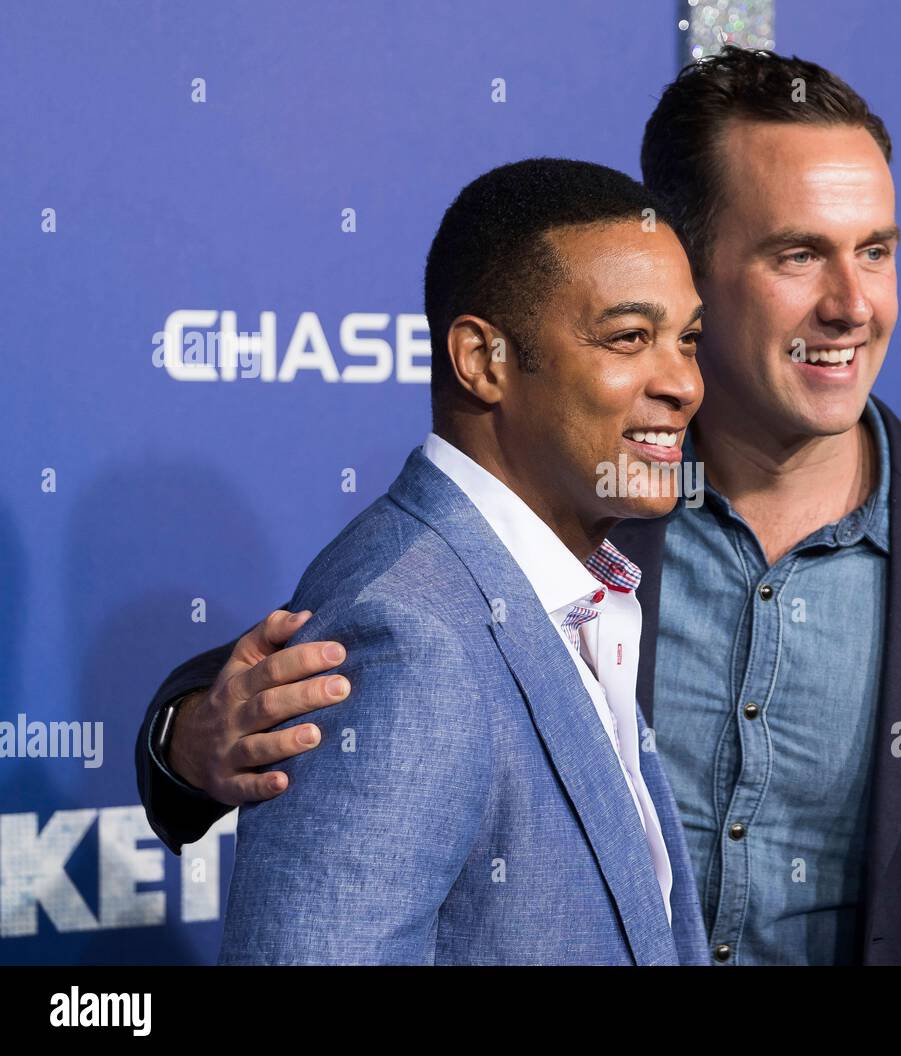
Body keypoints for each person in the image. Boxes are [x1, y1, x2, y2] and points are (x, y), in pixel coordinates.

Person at [139, 48, 901, 966]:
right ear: (687, 267)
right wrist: (186, 736)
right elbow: (381, 651)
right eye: (797, 255)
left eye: (875, 250)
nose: (851, 304)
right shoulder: (576, 500)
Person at [214, 157, 708, 964]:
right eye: (628, 338)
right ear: (483, 360)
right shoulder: (406, 636)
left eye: (687, 339)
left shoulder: (565, 589)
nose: (683, 382)